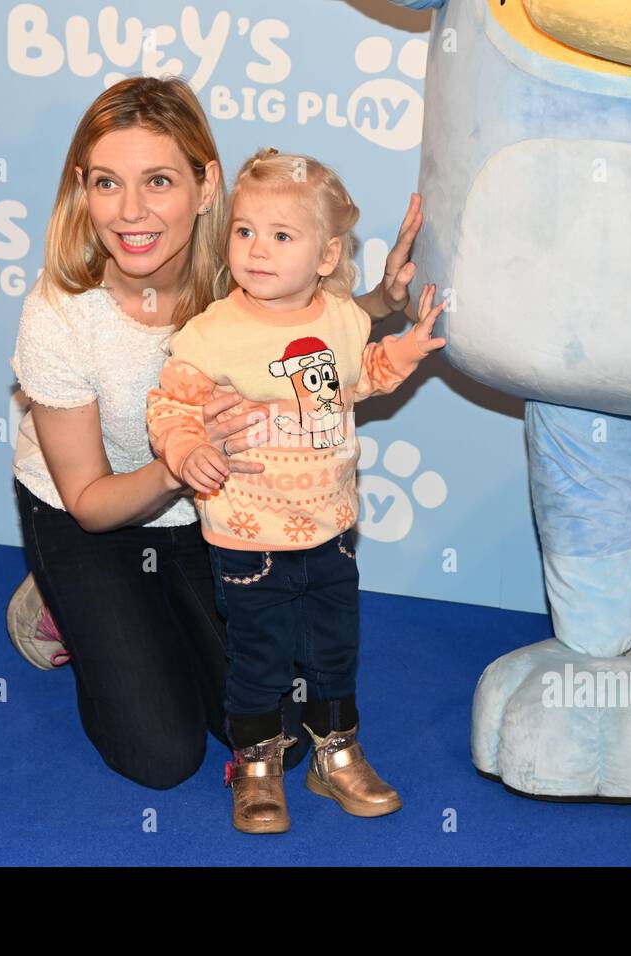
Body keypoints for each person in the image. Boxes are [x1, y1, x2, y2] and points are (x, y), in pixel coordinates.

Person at [8, 75, 423, 790]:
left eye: (159, 181)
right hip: (94, 517)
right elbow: (88, 500)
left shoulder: (240, 273)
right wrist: (181, 464)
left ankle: (155, 604)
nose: (131, 212)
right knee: (162, 756)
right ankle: (55, 598)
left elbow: (313, 329)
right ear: (82, 188)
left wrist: (384, 300)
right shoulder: (59, 314)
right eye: (107, 183)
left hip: (216, 519)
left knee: (284, 737)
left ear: (205, 187)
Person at [146, 148, 446, 832]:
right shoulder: (214, 333)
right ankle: (255, 768)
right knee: (258, 661)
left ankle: (334, 754)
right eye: (245, 230)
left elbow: (356, 376)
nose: (256, 249)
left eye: (282, 235)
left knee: (334, 652)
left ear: (326, 254)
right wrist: (187, 447)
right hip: (249, 539)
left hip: (333, 529)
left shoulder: (339, 316)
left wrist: (405, 350)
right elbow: (170, 406)